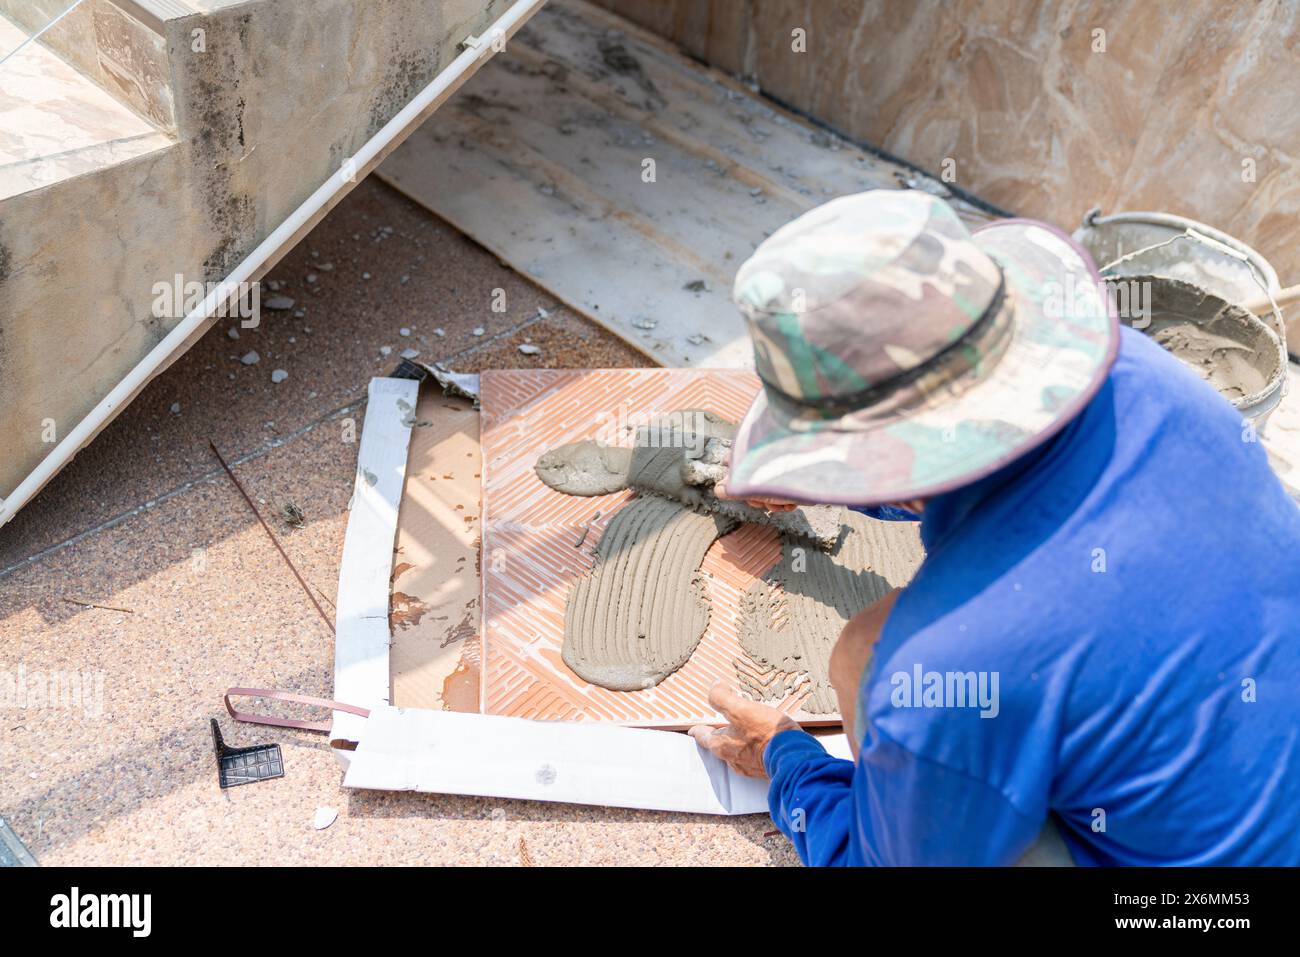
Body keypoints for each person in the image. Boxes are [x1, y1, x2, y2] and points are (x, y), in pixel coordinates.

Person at [689, 189, 1300, 865]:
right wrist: (849, 489)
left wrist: (787, 761)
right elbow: (995, 458)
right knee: (869, 649)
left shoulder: (948, 666)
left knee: (882, 677)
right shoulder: (1145, 375)